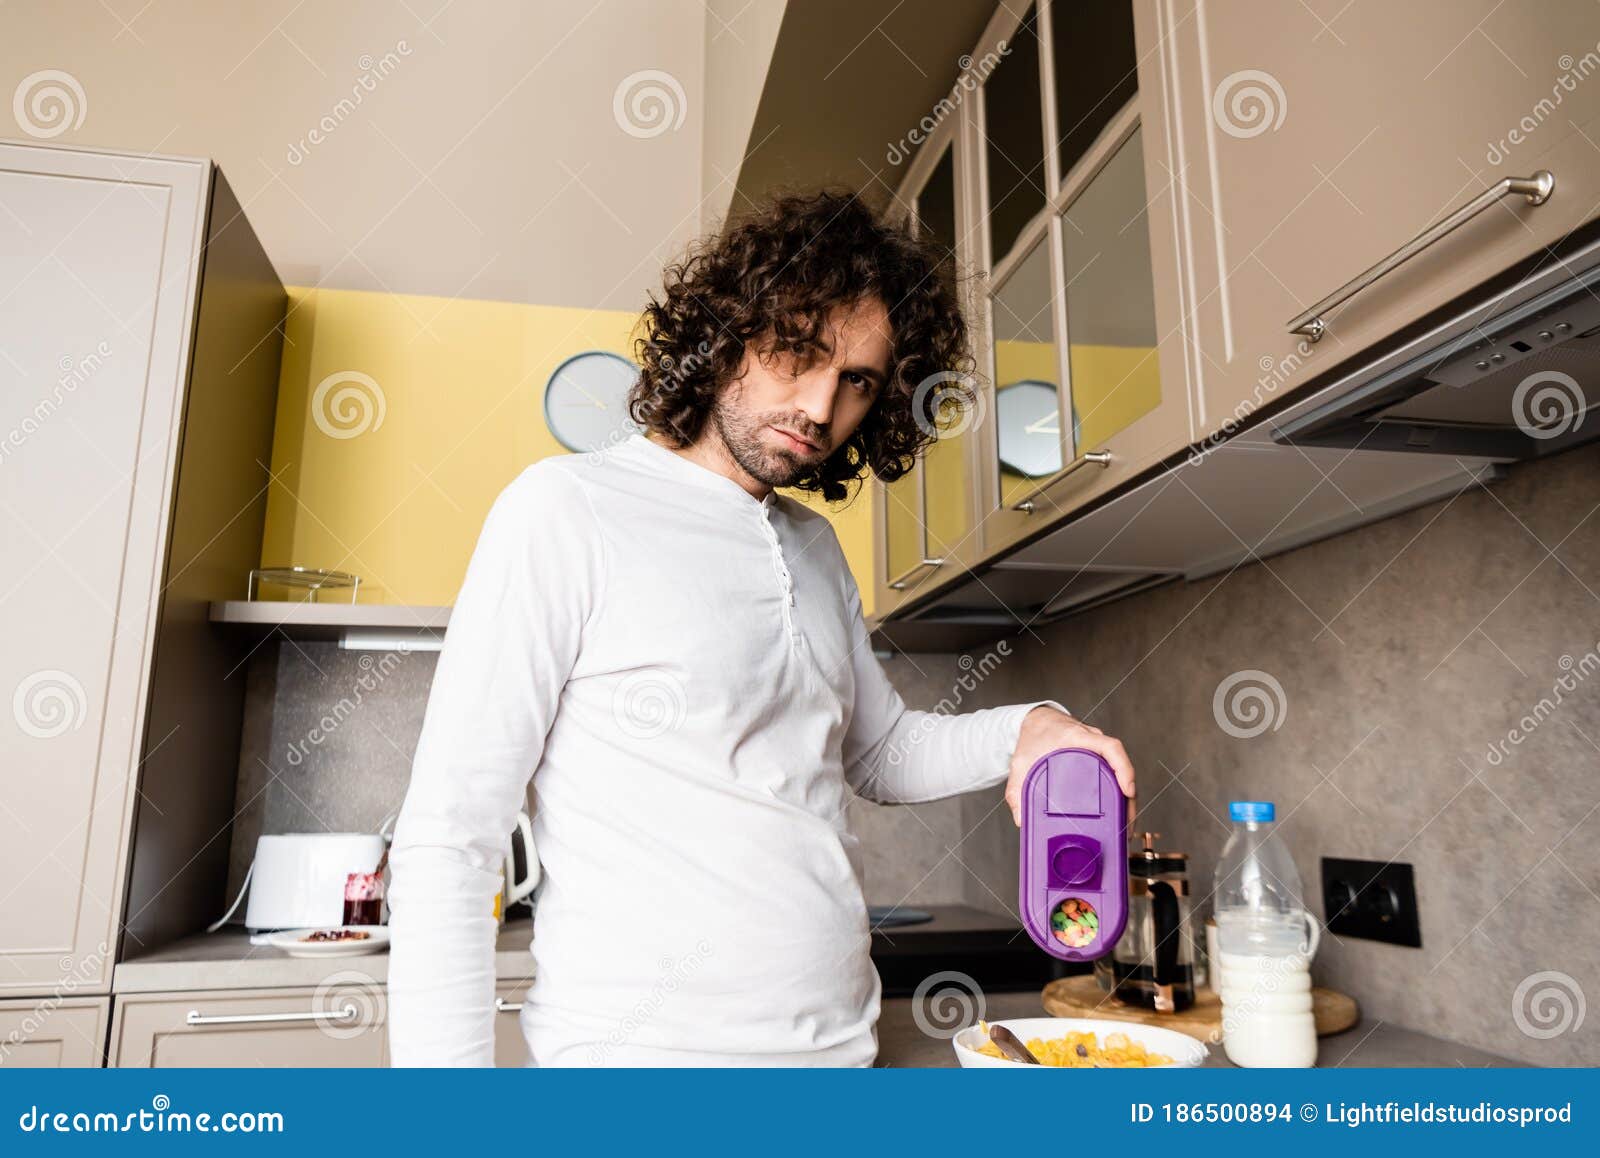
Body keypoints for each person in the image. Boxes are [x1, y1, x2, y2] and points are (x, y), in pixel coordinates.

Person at [385, 189, 1137, 1066]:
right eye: (799, 354)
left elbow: (879, 752)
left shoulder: (813, 547)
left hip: (841, 1059)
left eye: (856, 381)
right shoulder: (564, 511)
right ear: (726, 334)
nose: (821, 408)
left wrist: (1027, 729)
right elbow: (451, 835)